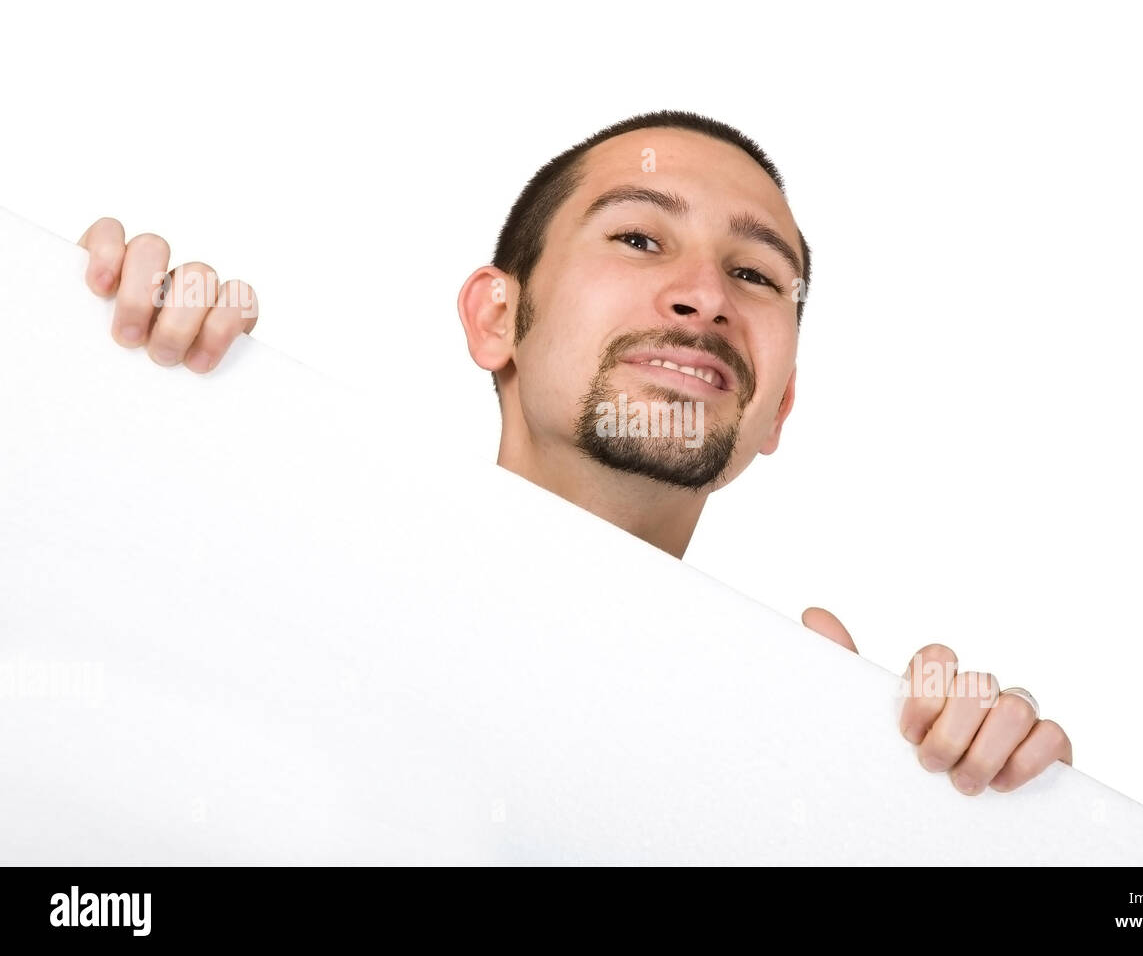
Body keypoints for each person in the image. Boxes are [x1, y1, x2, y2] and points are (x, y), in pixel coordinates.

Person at [76, 110, 1072, 798]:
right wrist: (110, 389)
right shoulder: (246, 573)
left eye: (754, 272)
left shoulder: (787, 762)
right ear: (496, 317)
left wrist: (971, 820)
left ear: (778, 407)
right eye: (640, 239)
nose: (705, 295)